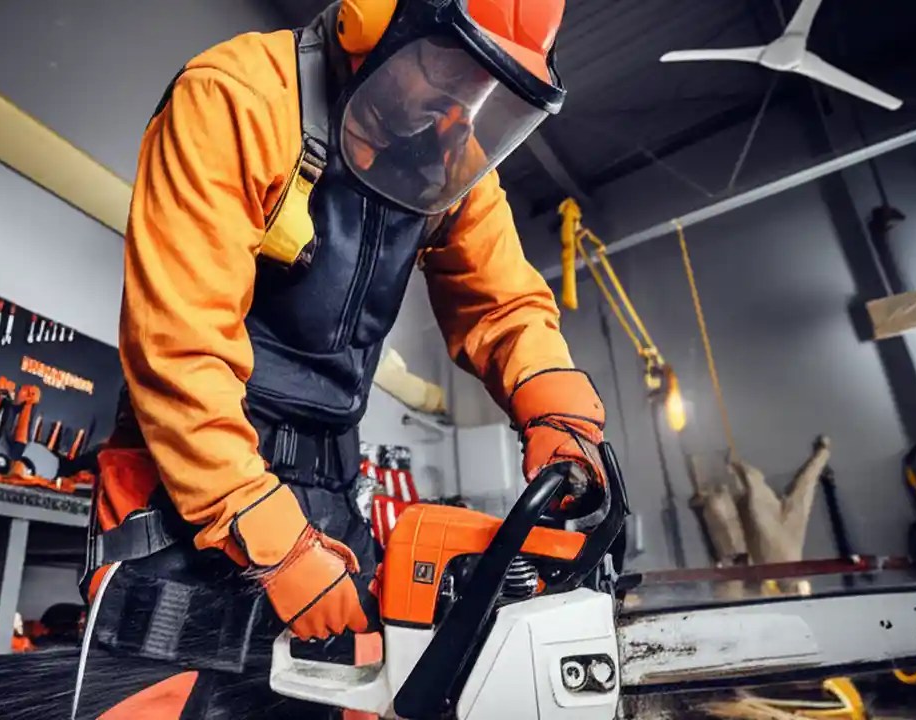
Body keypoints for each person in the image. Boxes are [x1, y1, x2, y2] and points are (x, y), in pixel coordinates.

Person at [76, 1, 610, 717]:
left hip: (330, 498)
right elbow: (181, 352)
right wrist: (270, 537)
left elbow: (503, 303)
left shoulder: (447, 150)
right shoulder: (238, 97)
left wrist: (560, 414)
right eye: (448, 68)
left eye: (485, 90)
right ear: (376, 18)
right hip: (188, 490)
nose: (458, 108)